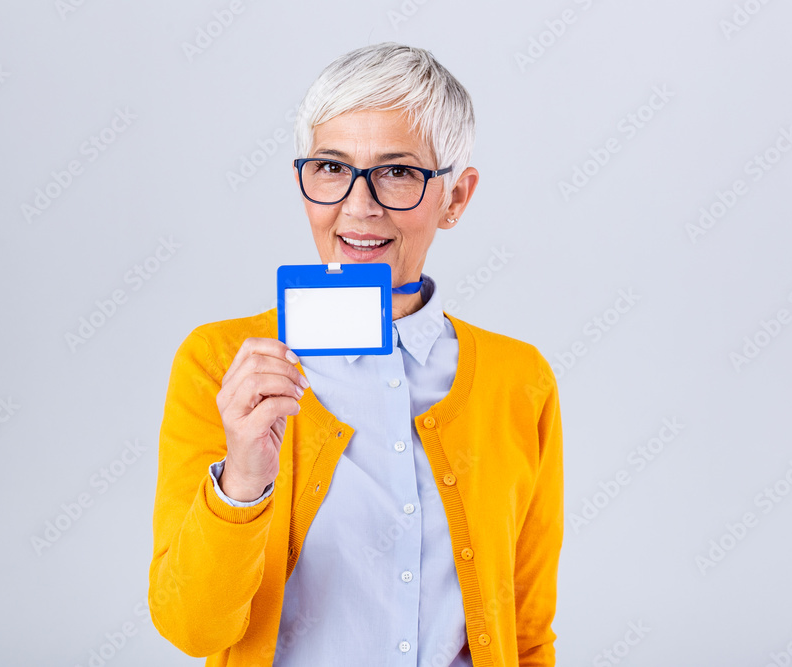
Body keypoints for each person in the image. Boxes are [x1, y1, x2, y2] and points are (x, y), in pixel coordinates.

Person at [148, 42, 564, 667]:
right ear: (302, 182)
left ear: (456, 196)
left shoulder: (518, 378)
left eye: (398, 172)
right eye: (332, 168)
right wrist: (243, 480)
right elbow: (193, 629)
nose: (358, 206)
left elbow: (527, 636)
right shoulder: (221, 363)